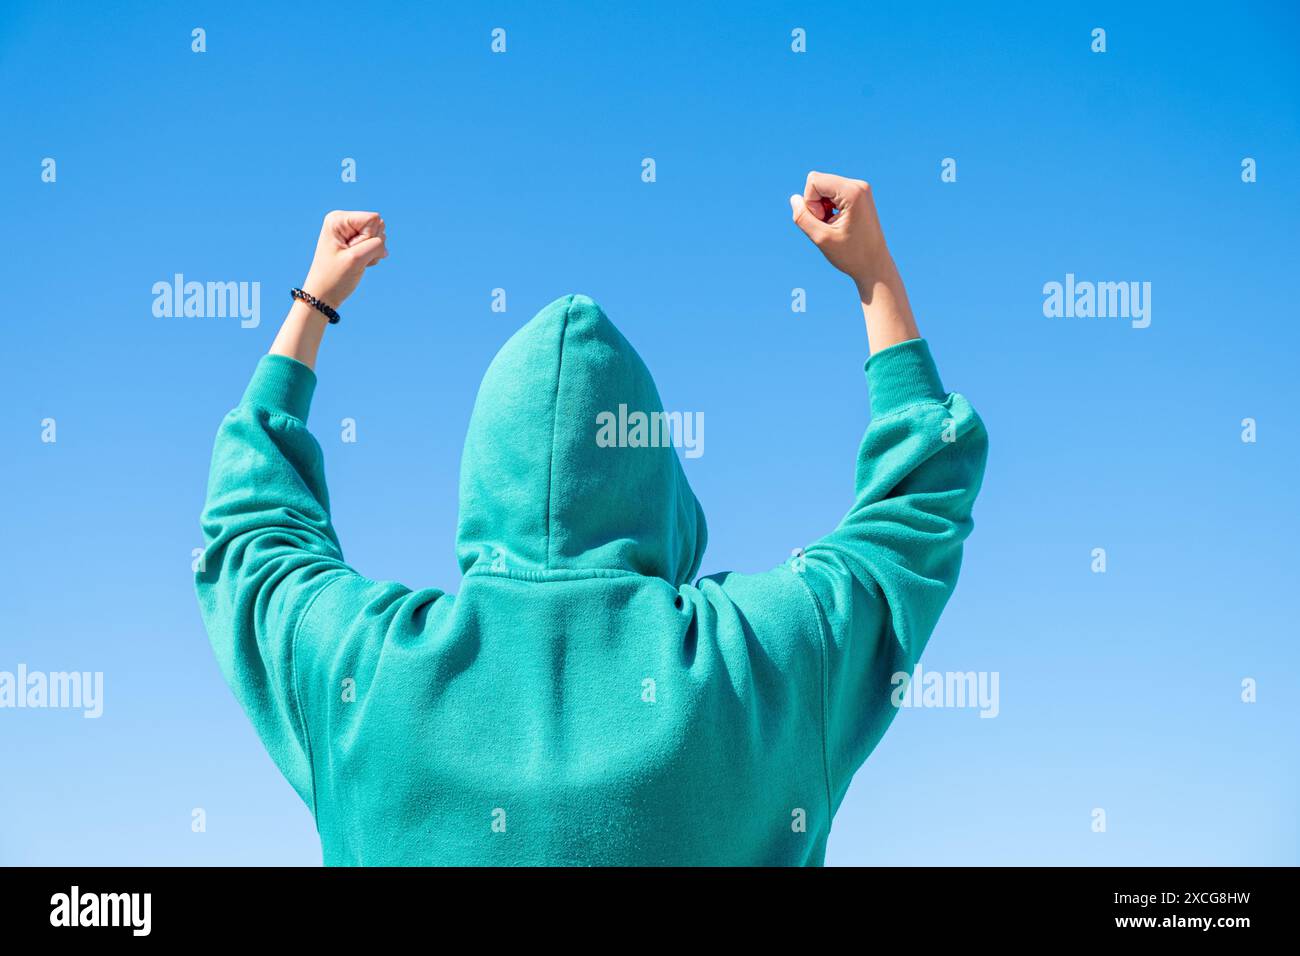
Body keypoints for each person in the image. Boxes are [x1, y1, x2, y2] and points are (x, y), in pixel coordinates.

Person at [195, 172, 989, 865]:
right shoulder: (766, 657)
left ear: (477, 479)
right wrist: (874, 277)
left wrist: (313, 306)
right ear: (663, 487)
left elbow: (251, 532)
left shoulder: (362, 677)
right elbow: (919, 502)